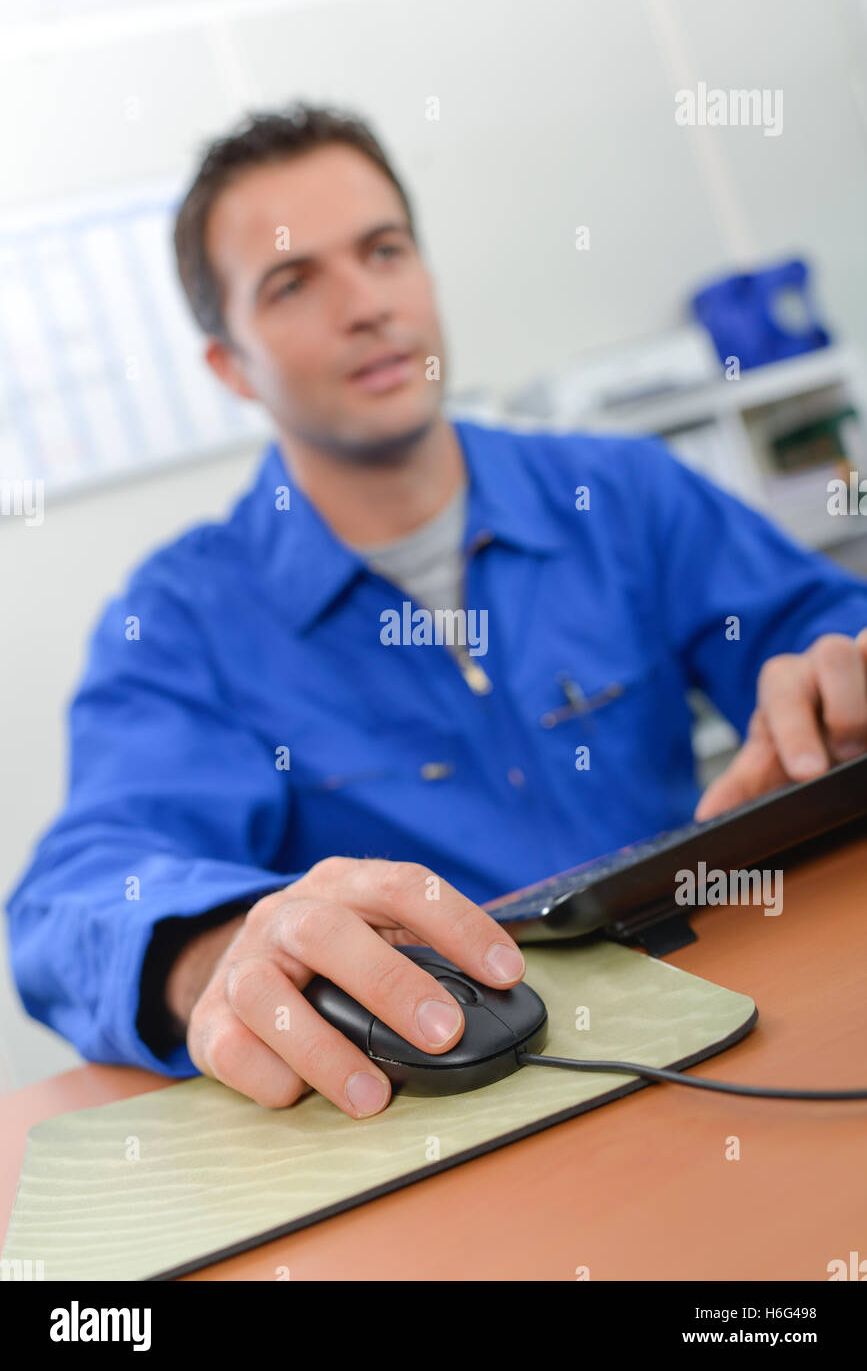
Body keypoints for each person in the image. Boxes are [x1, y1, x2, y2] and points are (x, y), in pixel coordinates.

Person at [7, 103, 867, 1121]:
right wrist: (219, 951)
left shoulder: (622, 490)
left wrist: (836, 675)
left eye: (384, 251)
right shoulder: (185, 618)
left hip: (727, 1023)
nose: (367, 304)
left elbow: (818, 628)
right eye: (293, 282)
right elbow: (83, 891)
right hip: (440, 1109)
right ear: (229, 366)